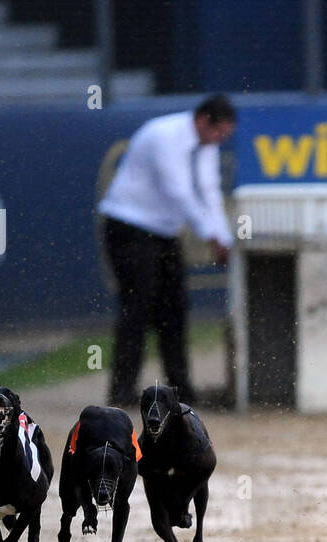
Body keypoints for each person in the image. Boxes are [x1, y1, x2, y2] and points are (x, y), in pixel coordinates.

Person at [97, 94, 236, 408]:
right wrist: (212, 237)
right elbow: (180, 192)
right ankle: (121, 391)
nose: (220, 141)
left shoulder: (207, 145)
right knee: (138, 306)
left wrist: (223, 238)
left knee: (174, 309)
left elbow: (210, 192)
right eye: (219, 133)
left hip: (164, 232)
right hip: (129, 226)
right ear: (204, 121)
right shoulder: (162, 136)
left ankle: (181, 389)